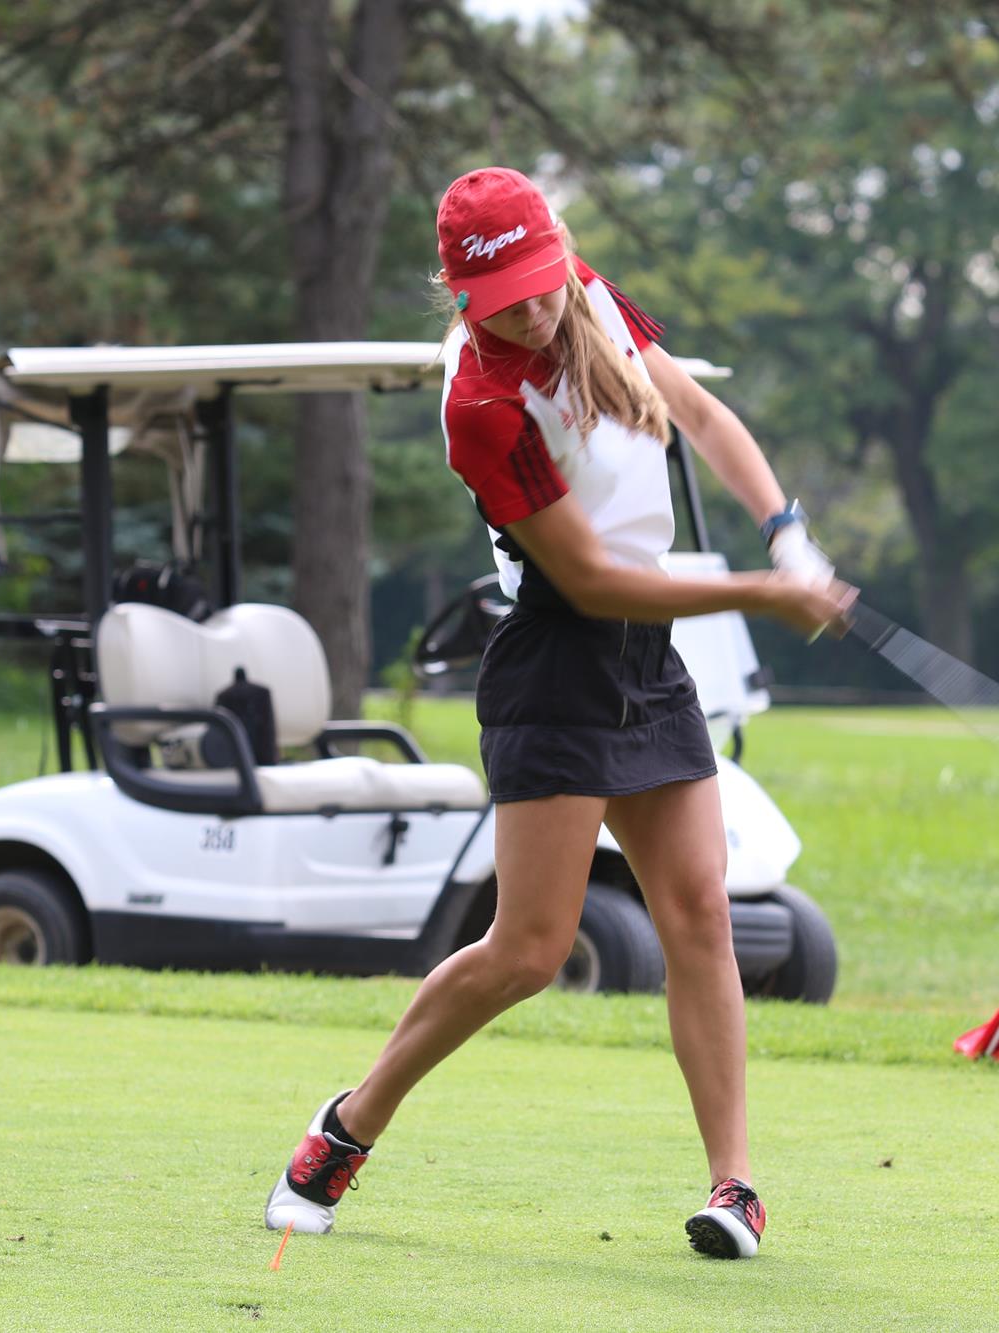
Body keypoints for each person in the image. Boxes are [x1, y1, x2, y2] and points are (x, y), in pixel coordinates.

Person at [264, 166, 855, 1260]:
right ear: (460, 296)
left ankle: (734, 1186)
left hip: (648, 653)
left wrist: (785, 529)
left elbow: (701, 412)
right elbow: (590, 583)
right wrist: (762, 595)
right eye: (508, 301)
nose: (536, 311)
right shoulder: (479, 405)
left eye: (542, 284)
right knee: (529, 949)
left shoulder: (579, 290)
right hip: (556, 660)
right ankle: (347, 1125)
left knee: (700, 912)